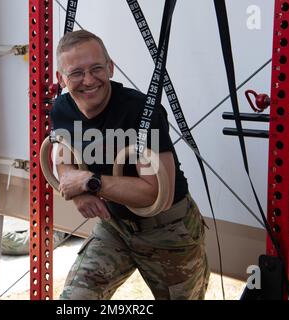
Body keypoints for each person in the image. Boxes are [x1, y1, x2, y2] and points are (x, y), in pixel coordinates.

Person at [50, 29, 209, 300]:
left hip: (168, 230)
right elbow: (60, 155)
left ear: (110, 68)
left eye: (96, 68)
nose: (88, 80)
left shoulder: (141, 111)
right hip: (115, 226)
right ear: (60, 78)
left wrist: (90, 181)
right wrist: (78, 190)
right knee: (74, 301)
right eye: (76, 73)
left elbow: (158, 193)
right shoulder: (61, 109)